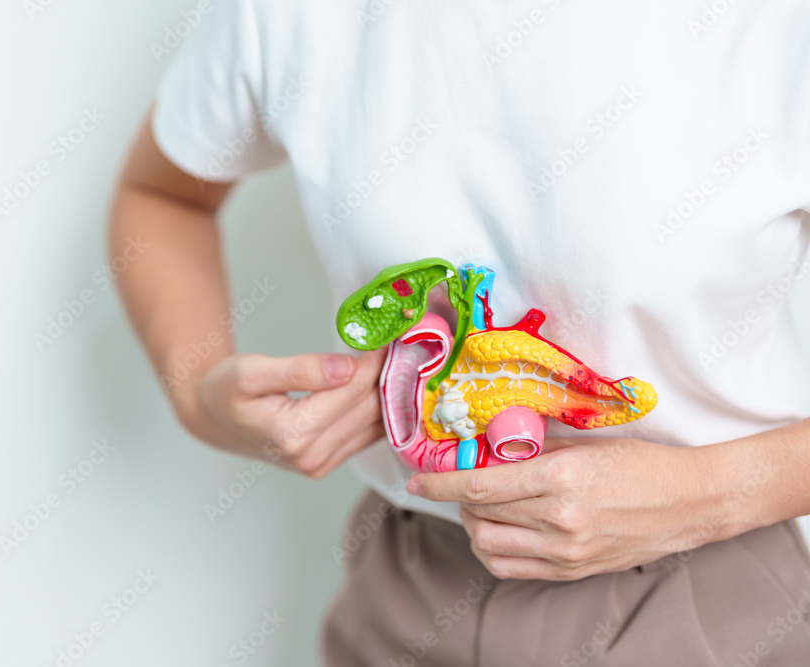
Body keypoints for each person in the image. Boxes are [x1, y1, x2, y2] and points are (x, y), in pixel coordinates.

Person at [110, 1, 810, 664]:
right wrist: (198, 391)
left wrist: (707, 492)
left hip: (707, 608)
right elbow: (162, 195)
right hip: (406, 590)